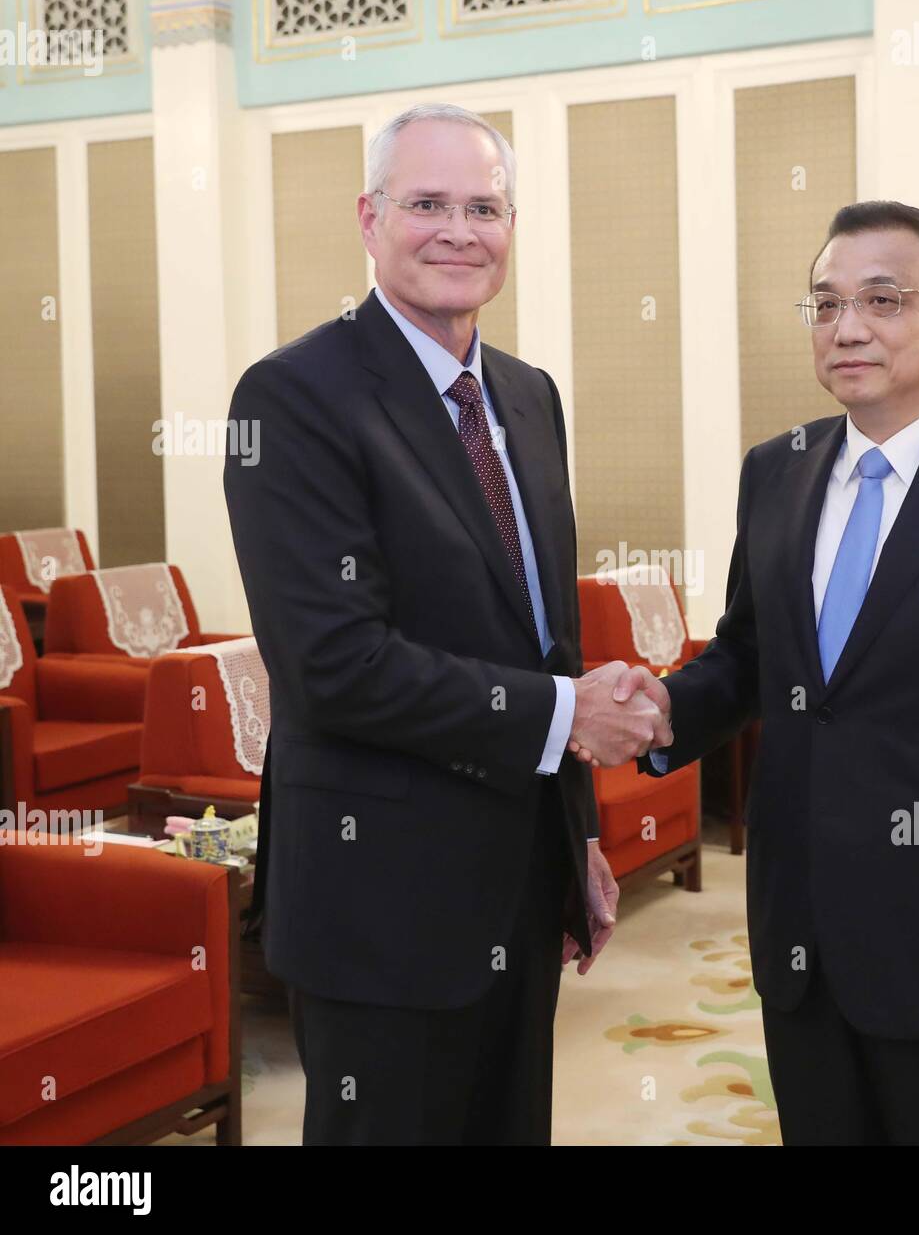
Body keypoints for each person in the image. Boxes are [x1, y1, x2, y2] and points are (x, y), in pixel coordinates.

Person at [575, 201, 919, 1145]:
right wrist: (663, 711)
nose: (848, 327)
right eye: (824, 305)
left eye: (881, 299)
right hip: (803, 931)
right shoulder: (775, 470)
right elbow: (748, 656)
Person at [224, 103, 668, 1145]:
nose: (457, 231)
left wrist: (580, 838)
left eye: (483, 207)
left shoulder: (528, 395)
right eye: (427, 203)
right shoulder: (290, 398)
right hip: (378, 896)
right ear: (370, 218)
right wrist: (566, 716)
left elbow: (540, 637)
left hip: (518, 880)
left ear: (512, 227)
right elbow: (336, 664)